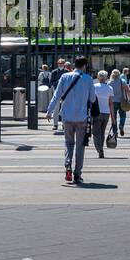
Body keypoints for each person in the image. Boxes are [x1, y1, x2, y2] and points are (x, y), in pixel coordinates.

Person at [46, 56, 97, 184]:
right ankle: (77, 174)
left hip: (67, 117)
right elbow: (92, 99)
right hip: (82, 117)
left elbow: (56, 95)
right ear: (84, 66)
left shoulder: (64, 77)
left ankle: (67, 164)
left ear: (74, 65)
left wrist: (49, 111)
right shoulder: (88, 79)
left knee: (68, 143)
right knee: (80, 146)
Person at [91, 70, 114, 158]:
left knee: (96, 132)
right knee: (102, 132)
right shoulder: (109, 88)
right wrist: (113, 117)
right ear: (106, 78)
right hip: (106, 113)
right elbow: (111, 103)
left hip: (96, 113)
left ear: (98, 77)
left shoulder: (94, 87)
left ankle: (100, 149)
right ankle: (101, 148)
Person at [110, 67, 130, 137]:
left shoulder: (110, 82)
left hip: (112, 102)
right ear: (119, 74)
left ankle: (115, 132)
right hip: (122, 101)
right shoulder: (122, 81)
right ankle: (121, 125)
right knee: (123, 115)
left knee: (113, 117)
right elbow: (128, 90)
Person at [48, 58, 68, 131]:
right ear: (57, 64)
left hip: (65, 92)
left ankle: (64, 124)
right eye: (59, 63)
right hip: (57, 91)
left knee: (64, 109)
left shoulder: (66, 72)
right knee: (56, 109)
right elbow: (51, 82)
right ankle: (55, 124)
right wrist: (58, 82)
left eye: (62, 63)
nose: (61, 65)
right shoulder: (54, 72)